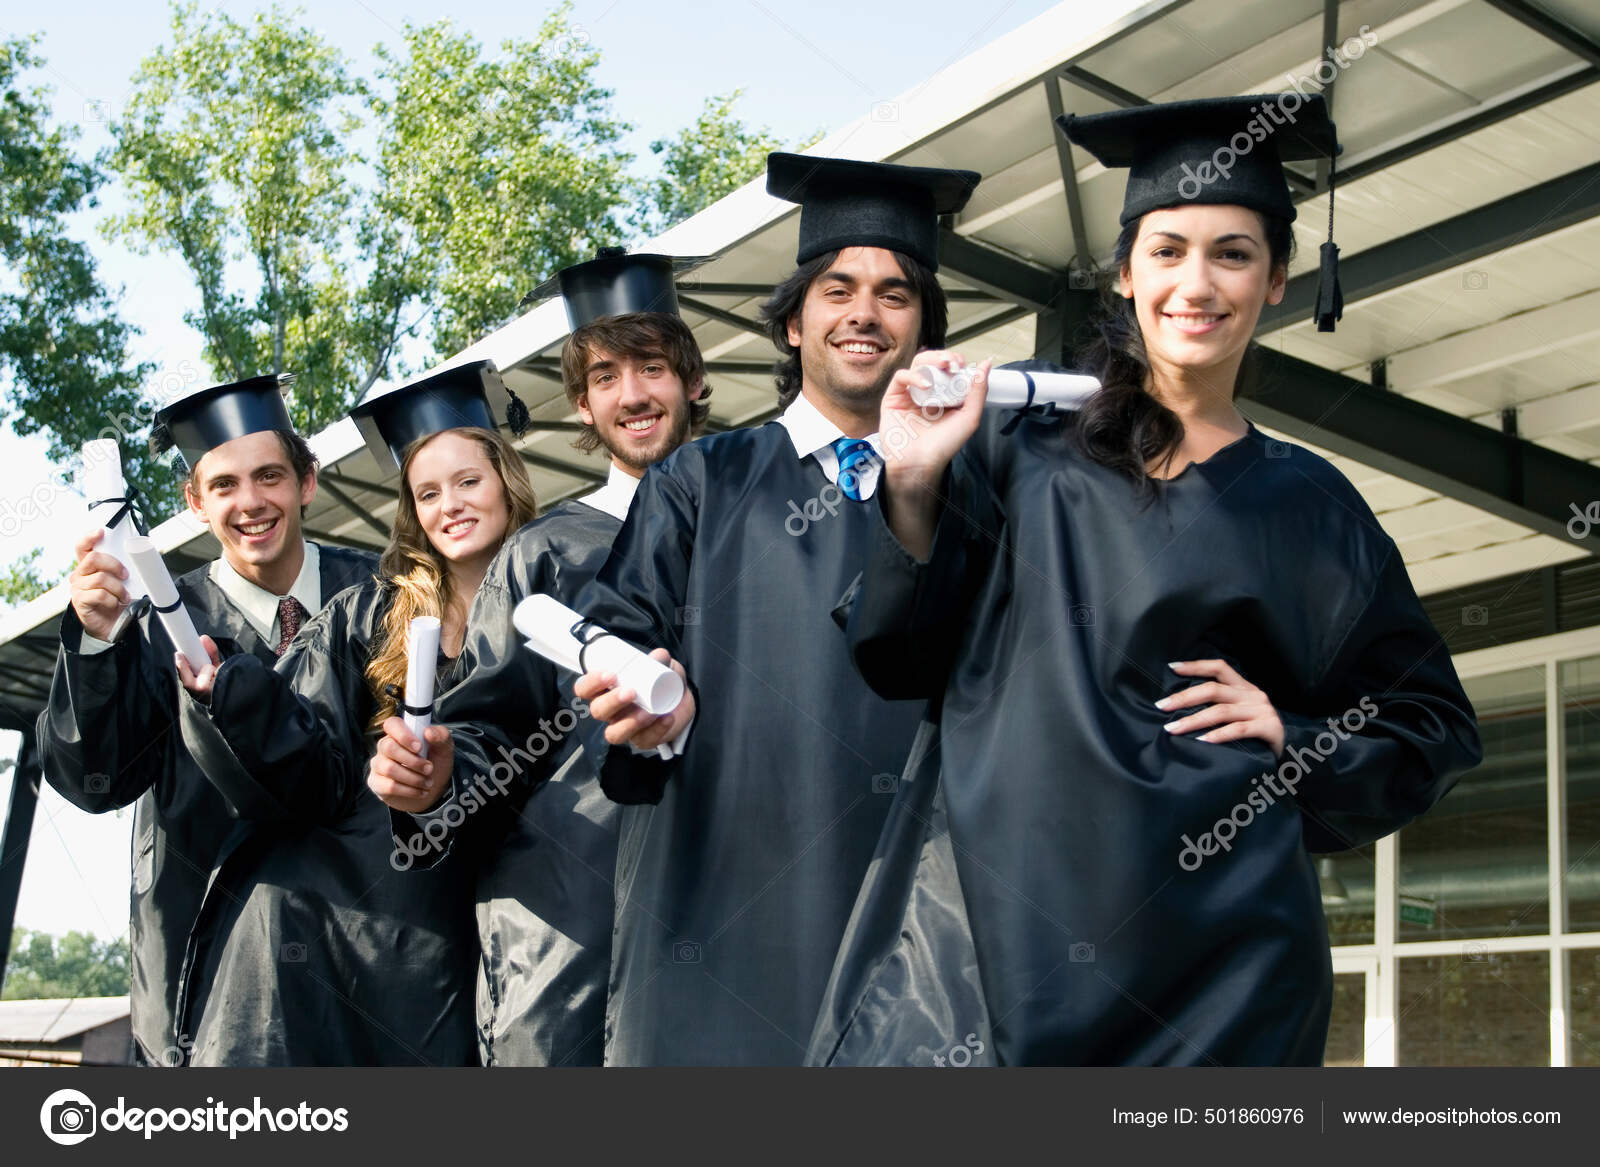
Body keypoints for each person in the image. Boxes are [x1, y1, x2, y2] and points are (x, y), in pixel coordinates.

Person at [819, 95, 1483, 1065]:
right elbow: (890, 651)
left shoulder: (1310, 505)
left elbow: (1431, 727)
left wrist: (1291, 739)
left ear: (1278, 283)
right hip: (987, 954)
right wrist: (915, 481)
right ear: (1124, 275)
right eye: (1167, 251)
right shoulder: (1010, 449)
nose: (1196, 283)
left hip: (1224, 973)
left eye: (1233, 253)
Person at [568, 154, 981, 1064]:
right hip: (719, 903)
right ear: (794, 322)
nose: (865, 312)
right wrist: (652, 703)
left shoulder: (982, 493)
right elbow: (621, 636)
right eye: (838, 289)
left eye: (895, 293)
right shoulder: (699, 483)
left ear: (925, 331)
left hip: (923, 915)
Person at [370, 250, 712, 1066]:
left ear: (693, 382)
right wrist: (442, 775)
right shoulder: (544, 553)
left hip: (736, 893)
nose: (632, 394)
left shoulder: (765, 524)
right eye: (604, 378)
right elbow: (487, 725)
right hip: (571, 925)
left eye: (654, 367)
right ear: (581, 406)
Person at [171, 361, 533, 1064]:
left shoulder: (562, 592)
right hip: (347, 934)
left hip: (476, 940)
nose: (449, 505)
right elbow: (308, 758)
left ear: (506, 480)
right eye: (427, 491)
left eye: (468, 481)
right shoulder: (369, 613)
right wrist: (234, 696)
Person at [35, 374, 377, 1066]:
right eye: (223, 485)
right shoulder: (156, 626)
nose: (250, 503)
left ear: (307, 482)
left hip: (366, 971)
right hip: (205, 982)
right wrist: (97, 640)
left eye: (270, 476)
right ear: (194, 502)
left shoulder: (379, 599)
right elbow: (91, 780)